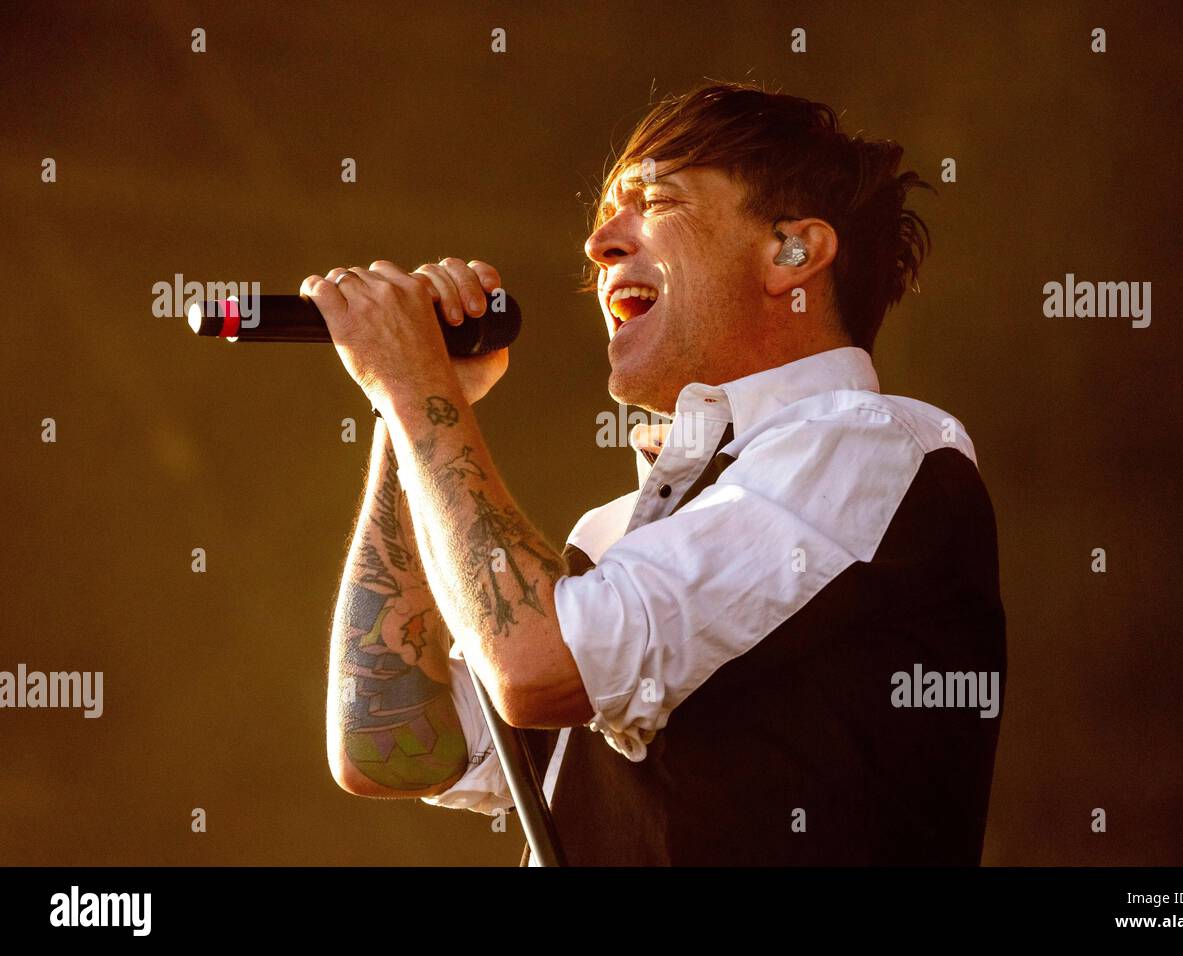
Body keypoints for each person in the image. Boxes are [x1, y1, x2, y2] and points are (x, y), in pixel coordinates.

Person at [307, 83, 1006, 866]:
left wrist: (416, 389)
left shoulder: (872, 447)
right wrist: (402, 410)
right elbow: (387, 739)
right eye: (608, 212)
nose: (600, 242)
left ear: (794, 253)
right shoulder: (610, 541)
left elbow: (537, 668)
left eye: (653, 201)